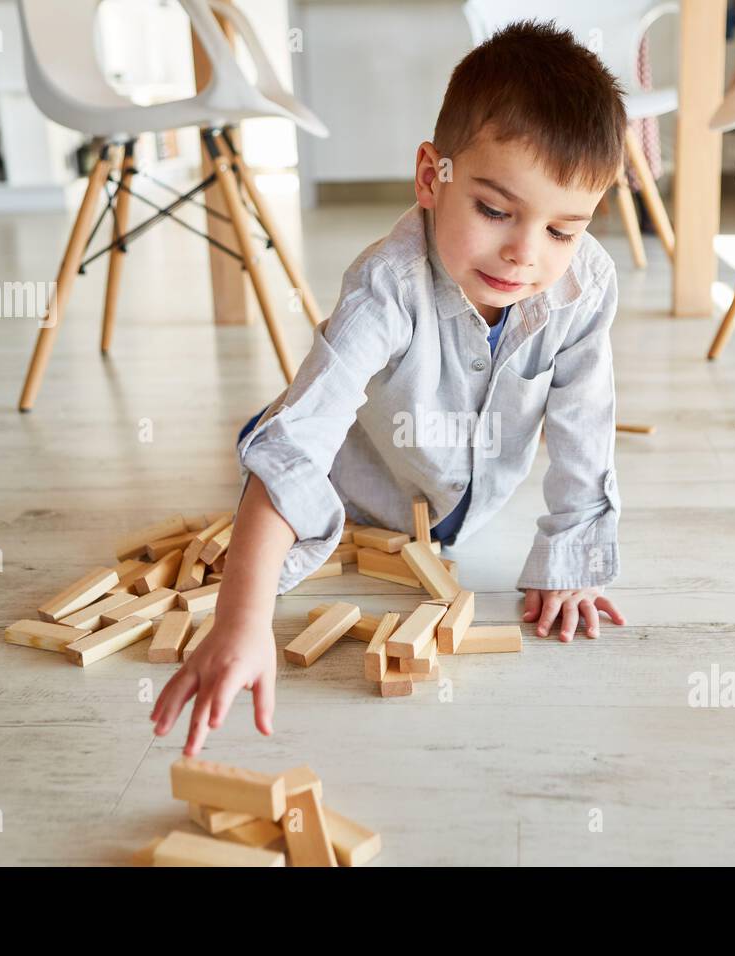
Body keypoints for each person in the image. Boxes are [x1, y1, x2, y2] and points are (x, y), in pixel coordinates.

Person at [153, 19, 628, 756]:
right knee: (282, 433)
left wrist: (570, 557)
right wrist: (241, 621)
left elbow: (584, 426)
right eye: (496, 211)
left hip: (458, 504)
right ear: (431, 176)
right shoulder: (386, 287)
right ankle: (255, 428)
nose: (525, 254)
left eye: (563, 230)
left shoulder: (586, 284)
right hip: (359, 494)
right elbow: (298, 450)